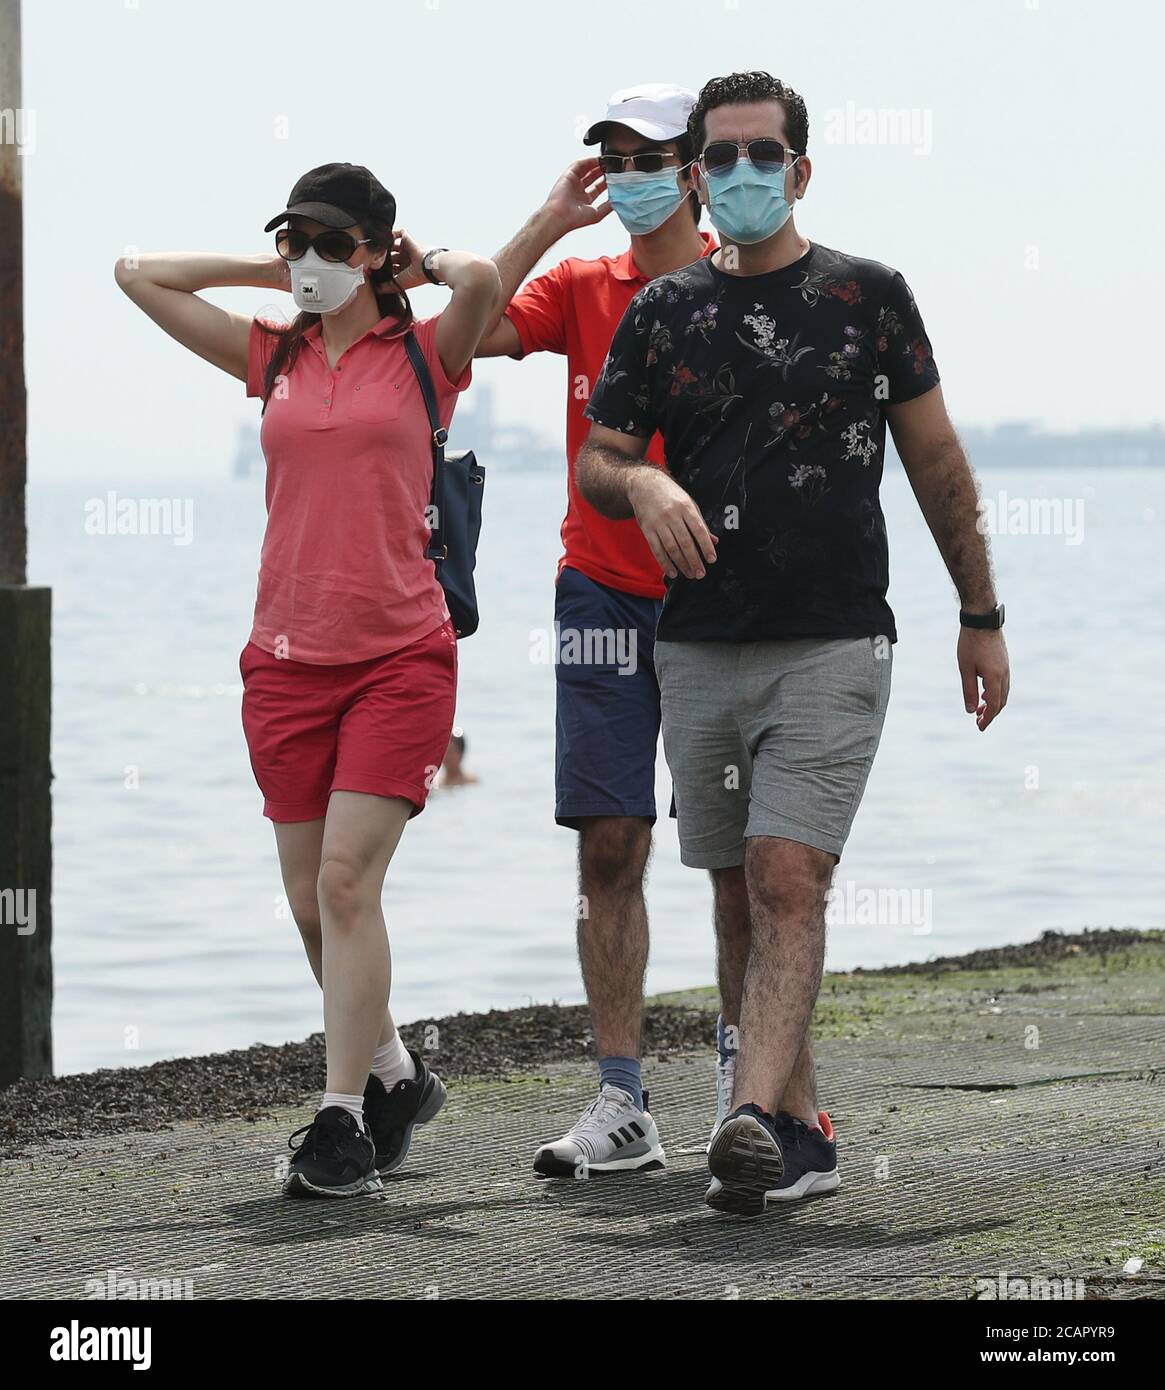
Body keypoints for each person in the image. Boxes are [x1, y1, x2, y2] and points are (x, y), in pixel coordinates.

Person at [577, 71, 1010, 1215]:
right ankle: (802, 1134)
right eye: (717, 158)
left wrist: (980, 615)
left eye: (759, 155)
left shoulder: (870, 296)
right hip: (699, 642)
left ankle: (747, 1115)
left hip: (832, 641)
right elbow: (598, 460)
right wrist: (646, 479)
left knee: (787, 874)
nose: (737, 176)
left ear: (800, 170)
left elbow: (936, 465)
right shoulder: (662, 309)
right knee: (737, 896)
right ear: (696, 175)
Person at [115, 162, 500, 1197]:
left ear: (377, 251)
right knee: (304, 900)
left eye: (334, 243)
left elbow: (485, 287)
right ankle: (395, 1074)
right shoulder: (272, 355)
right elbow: (135, 276)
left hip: (399, 656)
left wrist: (425, 262)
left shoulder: (425, 353)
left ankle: (341, 1123)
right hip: (282, 662)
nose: (311, 261)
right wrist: (272, 265)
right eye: (298, 240)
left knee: (344, 883)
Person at [461, 84, 716, 1174]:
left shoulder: (739, 280)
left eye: (645, 155)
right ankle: (622, 1102)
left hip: (724, 599)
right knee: (608, 845)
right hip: (598, 597)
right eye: (610, 157)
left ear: (694, 168)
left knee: (749, 859)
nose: (625, 174)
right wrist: (548, 219)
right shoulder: (579, 281)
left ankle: (756, 1096)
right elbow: (458, 334)